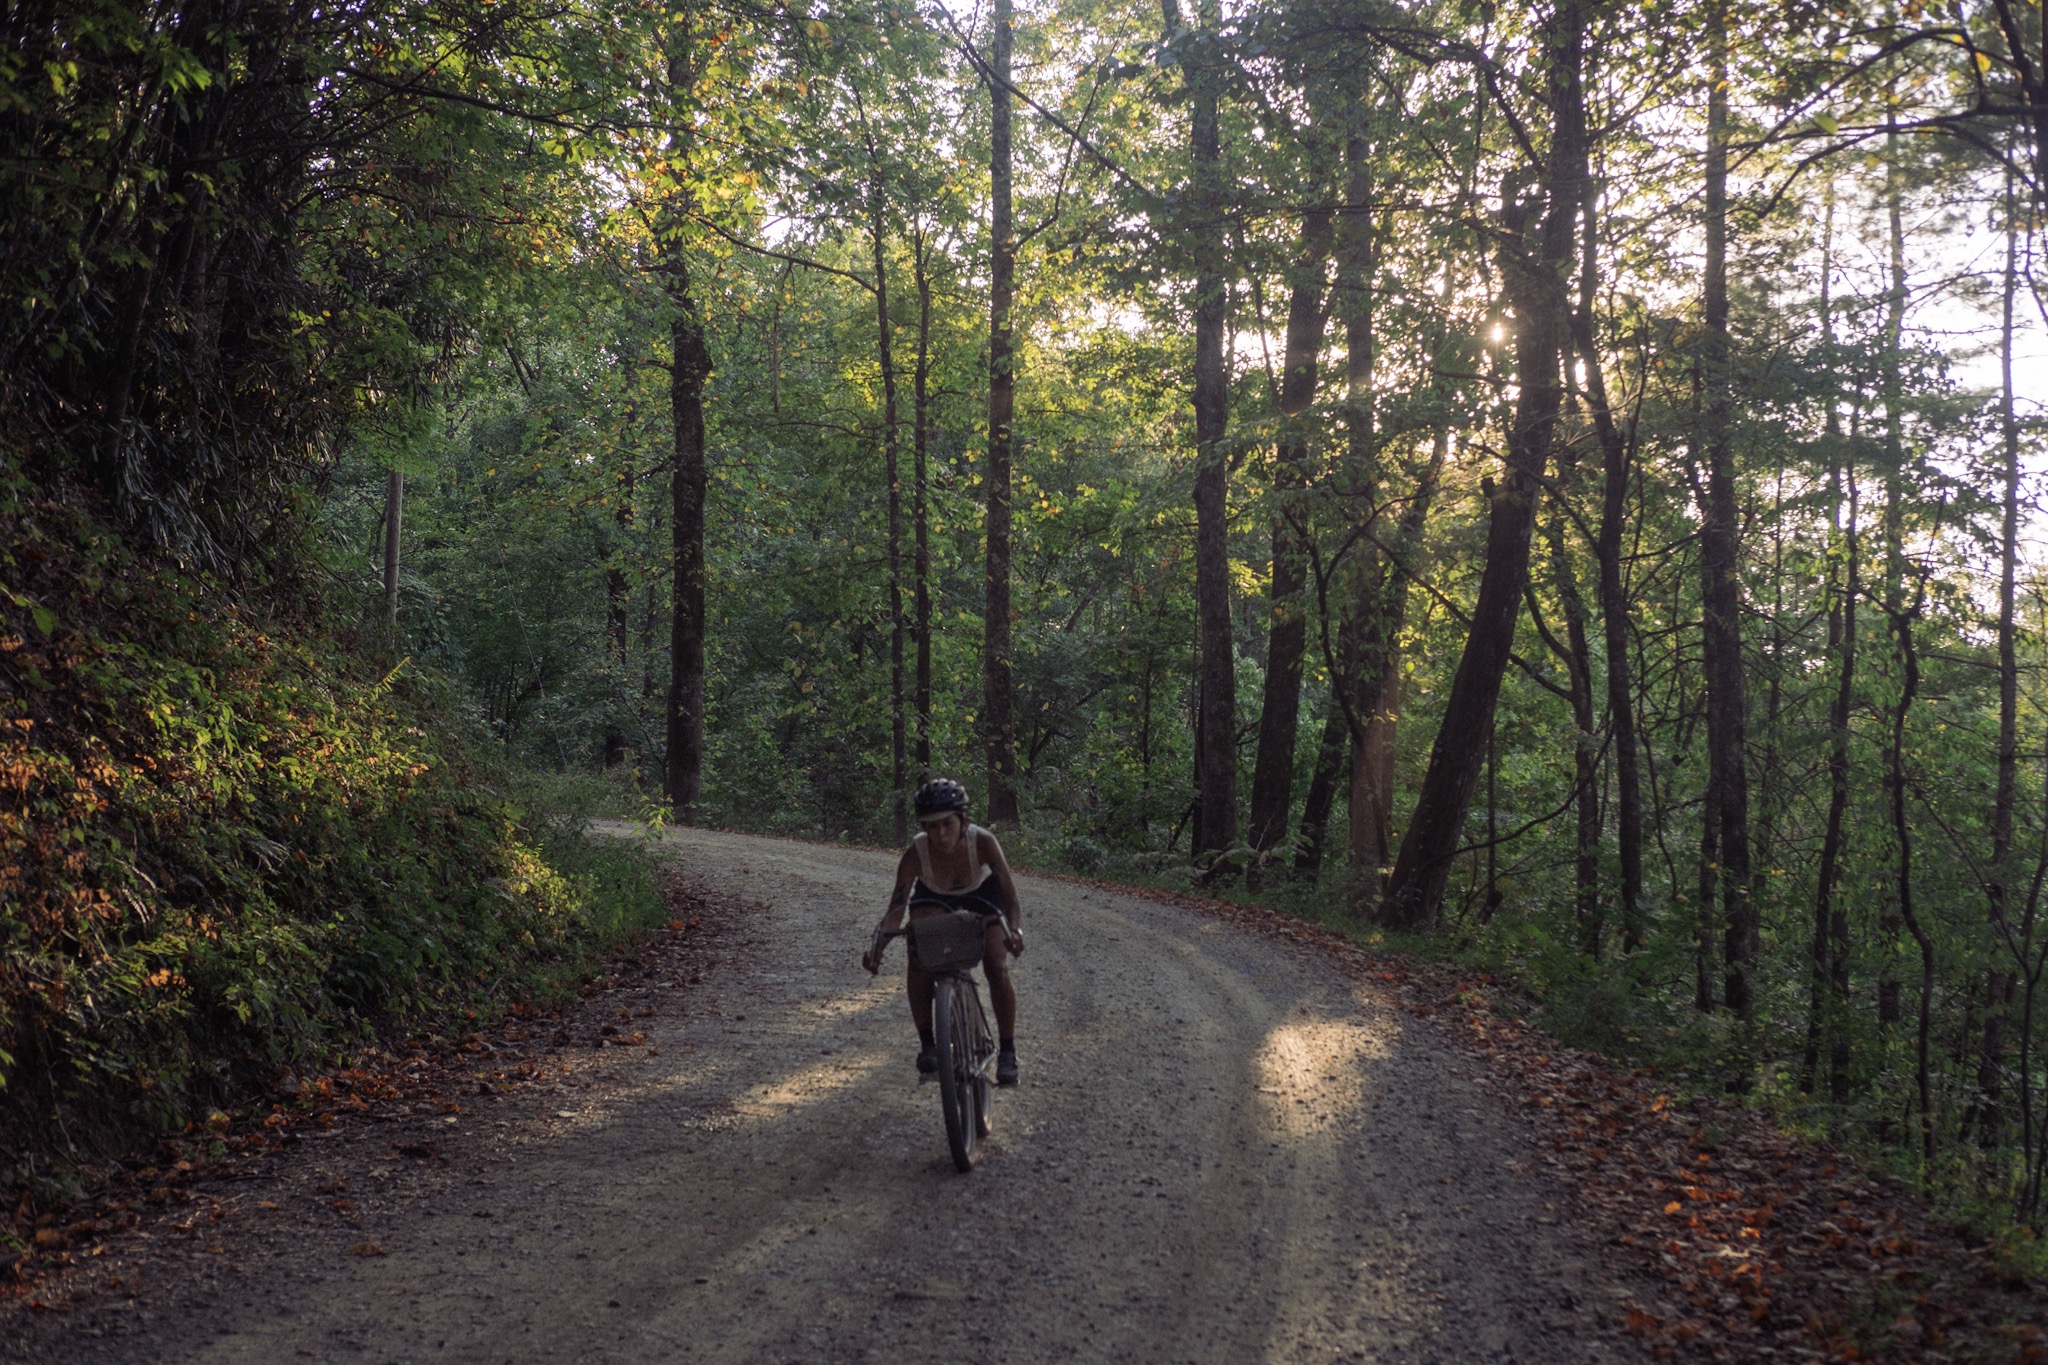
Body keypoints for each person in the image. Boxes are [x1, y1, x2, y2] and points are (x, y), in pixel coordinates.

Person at [862, 778, 1025, 1086]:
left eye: (947, 824)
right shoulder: (915, 854)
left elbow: (1011, 897)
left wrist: (1014, 930)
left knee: (996, 963)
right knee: (919, 952)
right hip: (933, 896)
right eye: (931, 826)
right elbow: (896, 910)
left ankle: (1007, 1051)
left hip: (983, 895)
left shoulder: (984, 842)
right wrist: (878, 948)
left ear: (964, 820)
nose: (940, 834)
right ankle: (929, 1046)